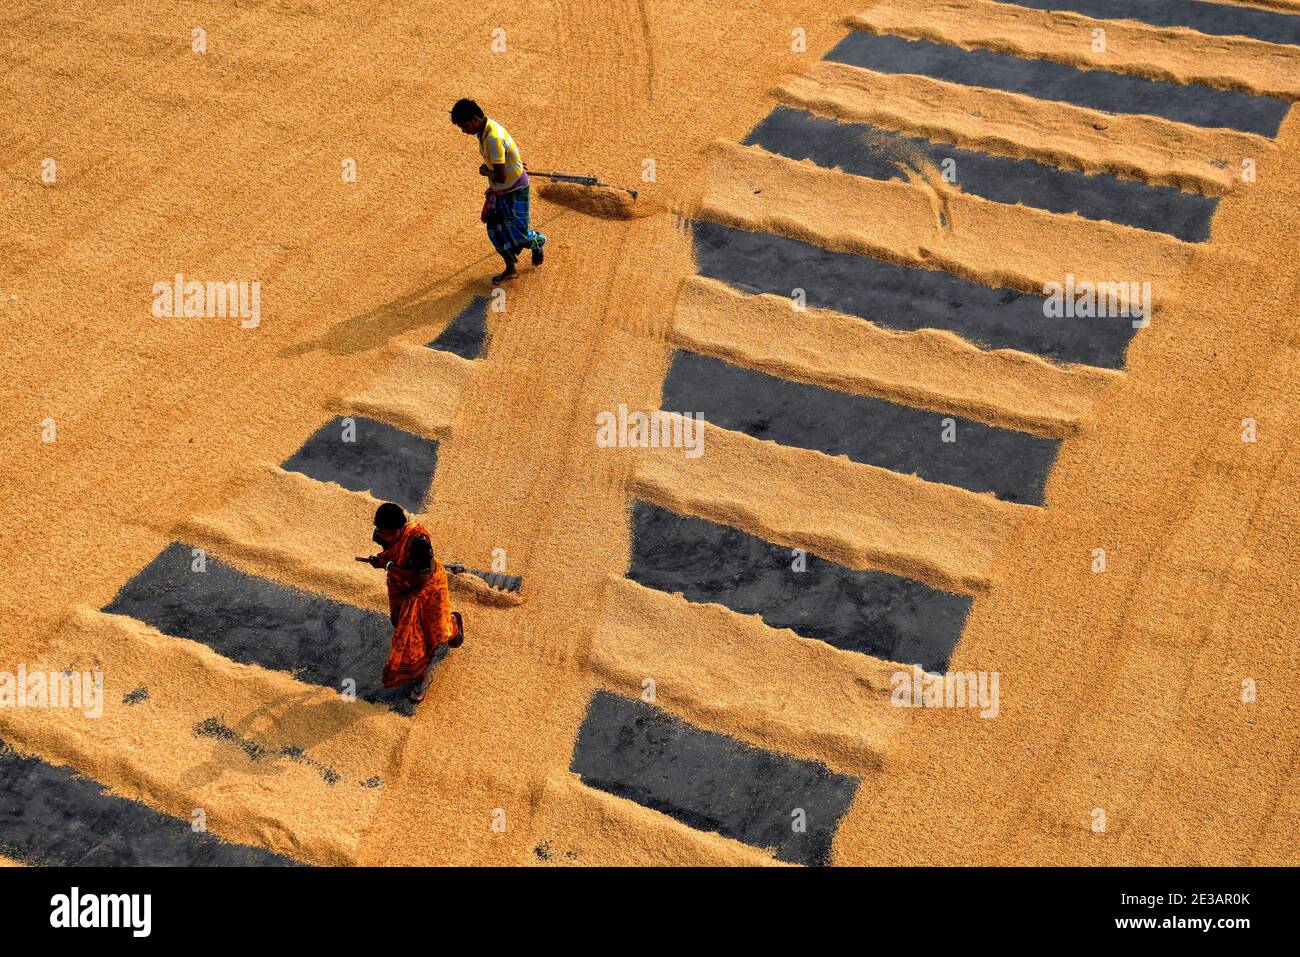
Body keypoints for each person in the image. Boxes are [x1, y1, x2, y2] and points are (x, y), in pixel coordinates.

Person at [356, 503, 459, 703]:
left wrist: (386, 565)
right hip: (401, 589)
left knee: (436, 632)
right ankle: (423, 675)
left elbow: (421, 578)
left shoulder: (419, 542)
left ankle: (454, 625)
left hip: (428, 590)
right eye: (381, 532)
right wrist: (381, 559)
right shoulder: (381, 535)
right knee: (408, 633)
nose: (384, 537)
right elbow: (392, 554)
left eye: (389, 534)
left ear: (401, 528)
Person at [450, 98, 546, 285]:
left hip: (514, 189)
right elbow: (508, 151)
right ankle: (511, 270)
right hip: (502, 189)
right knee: (496, 231)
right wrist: (514, 161)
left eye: (464, 125)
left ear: (476, 119)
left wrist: (484, 170)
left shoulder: (492, 138)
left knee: (518, 234)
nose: (463, 131)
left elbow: (500, 176)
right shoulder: (486, 130)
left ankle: (538, 241)